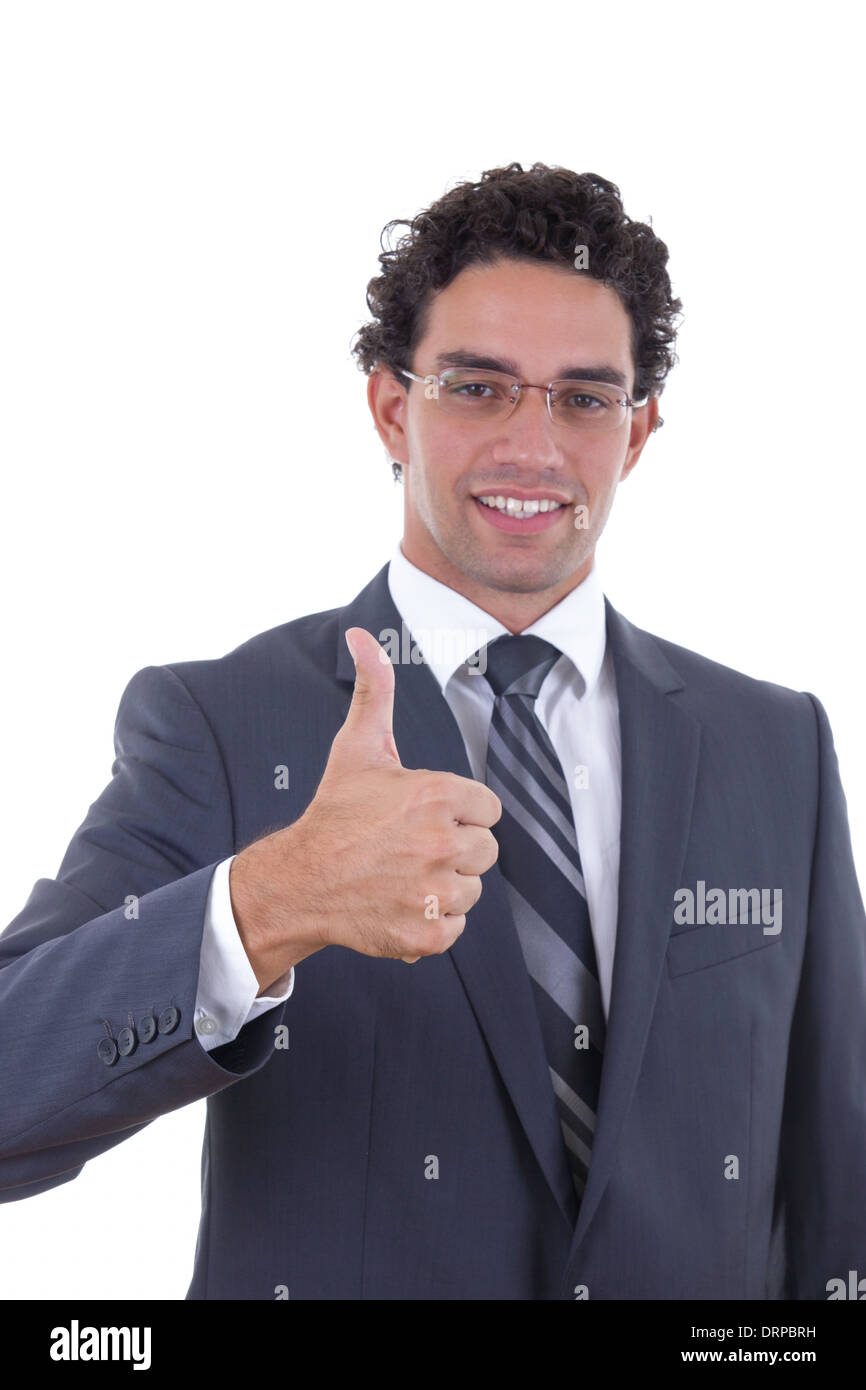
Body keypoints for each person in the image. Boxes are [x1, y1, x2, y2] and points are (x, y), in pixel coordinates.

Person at [1, 163, 863, 1301]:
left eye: (583, 397)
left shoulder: (775, 746)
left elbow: (833, 1180)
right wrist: (269, 904)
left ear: (637, 430)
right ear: (390, 407)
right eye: (477, 386)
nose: (532, 447)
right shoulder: (219, 721)